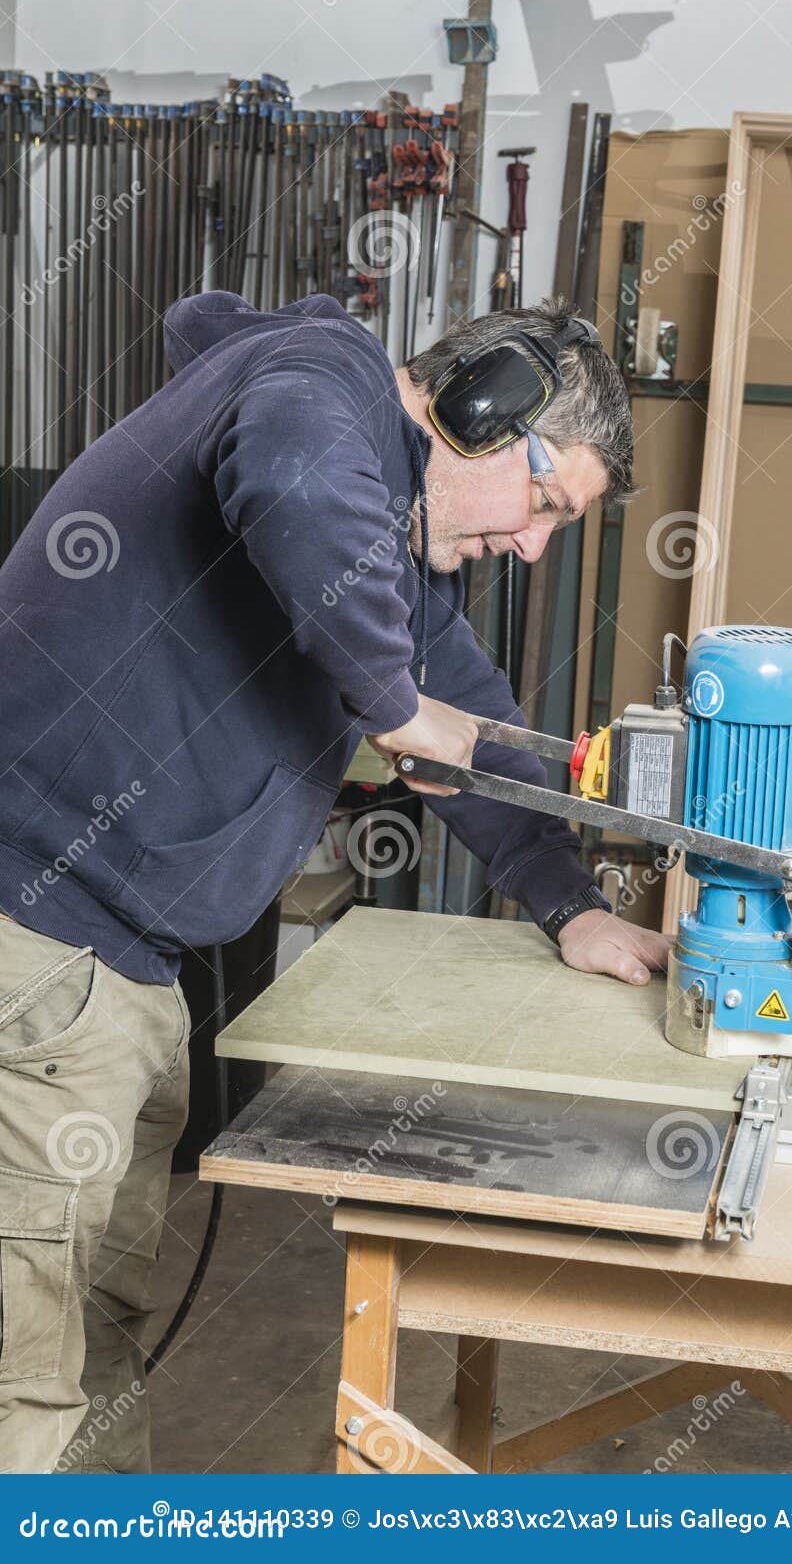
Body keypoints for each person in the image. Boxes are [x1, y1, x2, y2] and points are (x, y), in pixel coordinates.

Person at [0, 289, 670, 1472]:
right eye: (546, 502)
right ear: (480, 407)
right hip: (39, 950)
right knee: (19, 1384)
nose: (533, 545)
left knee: (92, 1342)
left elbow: (490, 738)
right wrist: (400, 707)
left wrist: (570, 905)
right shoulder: (322, 384)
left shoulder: (399, 553)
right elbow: (299, 484)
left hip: (126, 978)